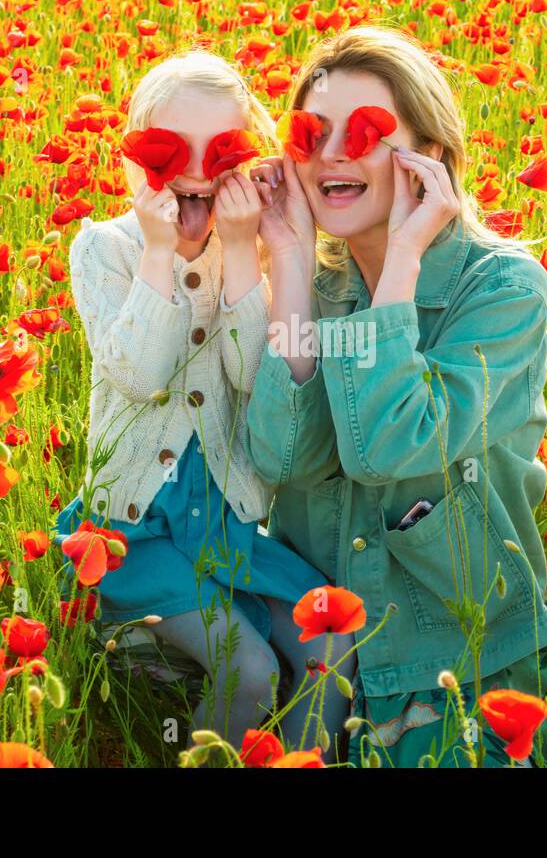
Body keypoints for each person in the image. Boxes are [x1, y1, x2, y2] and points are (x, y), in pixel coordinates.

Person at [247, 26, 547, 767]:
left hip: (459, 655)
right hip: (326, 660)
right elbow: (283, 455)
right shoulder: (319, 290)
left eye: (366, 132)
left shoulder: (501, 287)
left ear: (426, 158)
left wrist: (401, 258)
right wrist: (292, 263)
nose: (333, 153)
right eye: (311, 134)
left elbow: (393, 445)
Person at [58, 49, 354, 757]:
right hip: (139, 533)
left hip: (231, 523)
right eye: (167, 152)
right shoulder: (103, 250)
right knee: (248, 668)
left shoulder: (242, 250)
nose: (194, 172)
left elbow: (256, 379)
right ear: (134, 159)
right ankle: (146, 652)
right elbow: (139, 374)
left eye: (219, 153)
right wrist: (161, 252)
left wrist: (242, 250)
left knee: (333, 645)